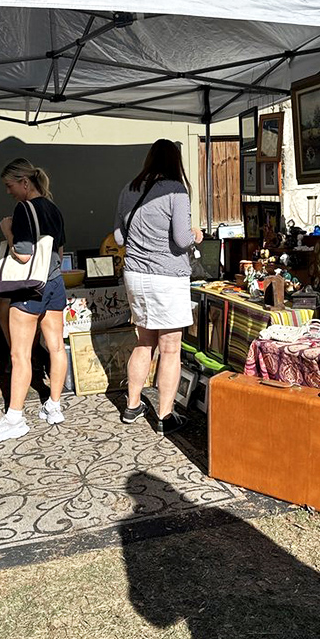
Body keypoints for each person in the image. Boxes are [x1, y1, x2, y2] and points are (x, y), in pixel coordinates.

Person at [114, 138, 202, 436]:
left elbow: (118, 238)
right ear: (175, 162)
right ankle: (165, 415)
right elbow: (180, 239)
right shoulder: (176, 190)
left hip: (135, 276)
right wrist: (195, 235)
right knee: (170, 347)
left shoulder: (129, 188)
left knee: (144, 341)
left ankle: (132, 405)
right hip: (166, 276)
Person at [0, 158, 68, 444]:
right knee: (56, 346)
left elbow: (24, 254)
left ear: (25, 182)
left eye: (10, 185)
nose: (9, 191)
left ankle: (14, 419)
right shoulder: (53, 208)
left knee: (19, 354)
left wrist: (7, 230)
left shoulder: (22, 209)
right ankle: (54, 406)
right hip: (54, 282)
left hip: (29, 288)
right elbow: (60, 249)